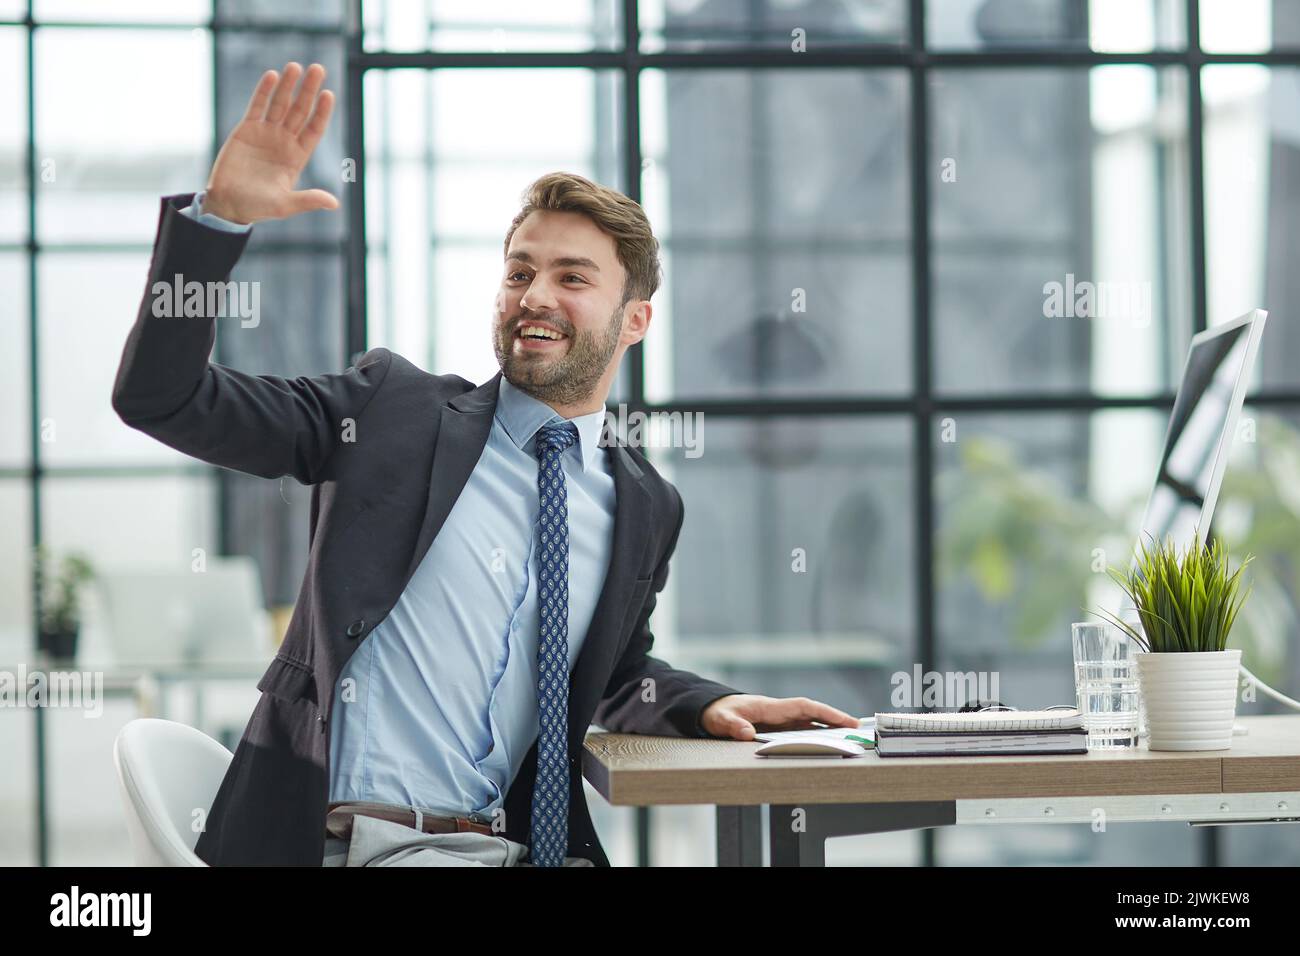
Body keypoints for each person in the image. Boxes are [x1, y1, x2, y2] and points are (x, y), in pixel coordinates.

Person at [112, 61, 859, 867]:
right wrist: (216, 225)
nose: (535, 295)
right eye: (520, 272)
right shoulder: (389, 413)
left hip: (508, 849)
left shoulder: (644, 502)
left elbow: (613, 669)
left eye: (572, 278)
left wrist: (713, 703)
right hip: (346, 843)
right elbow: (164, 398)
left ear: (634, 320)